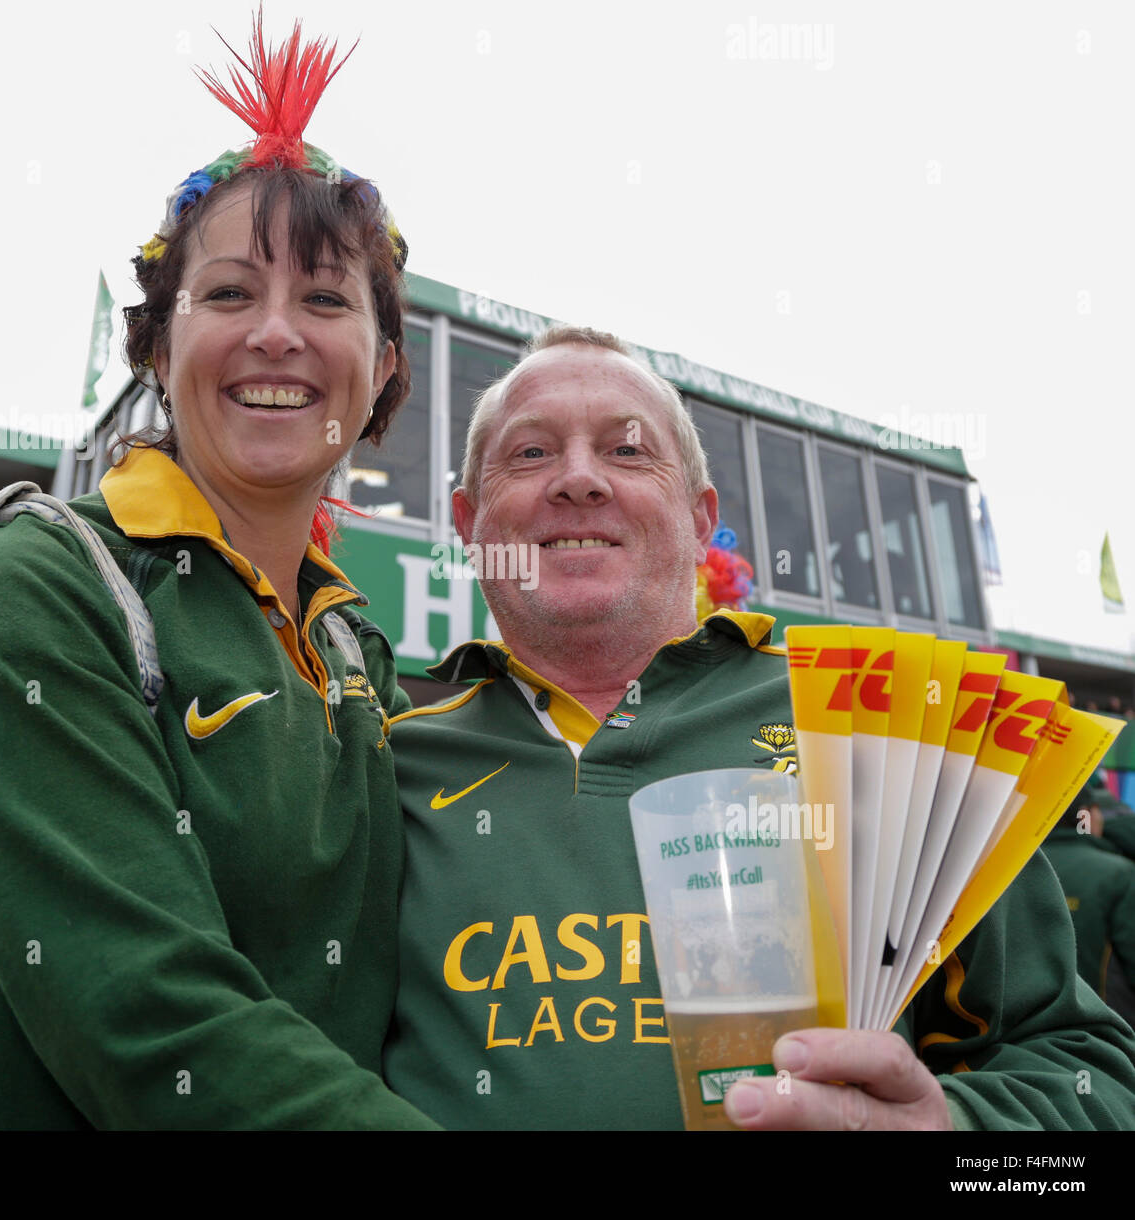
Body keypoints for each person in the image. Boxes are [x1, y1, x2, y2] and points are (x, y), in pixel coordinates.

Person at [0, 19, 435, 1129]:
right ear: (154, 347)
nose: (277, 334)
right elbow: (152, 1023)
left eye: (326, 301)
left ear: (378, 375)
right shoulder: (38, 586)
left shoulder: (359, 653)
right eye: (228, 295)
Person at [382, 325, 1135, 1130]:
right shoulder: (386, 761)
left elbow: (1092, 1082)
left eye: (628, 452)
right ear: (468, 520)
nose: (577, 480)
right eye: (529, 454)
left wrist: (945, 1129)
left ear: (701, 517)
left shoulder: (882, 733)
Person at [1041, 795, 1135, 1026]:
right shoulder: (1119, 874)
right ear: (1087, 814)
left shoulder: (1011, 871)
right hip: (1102, 1032)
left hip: (1019, 1036)